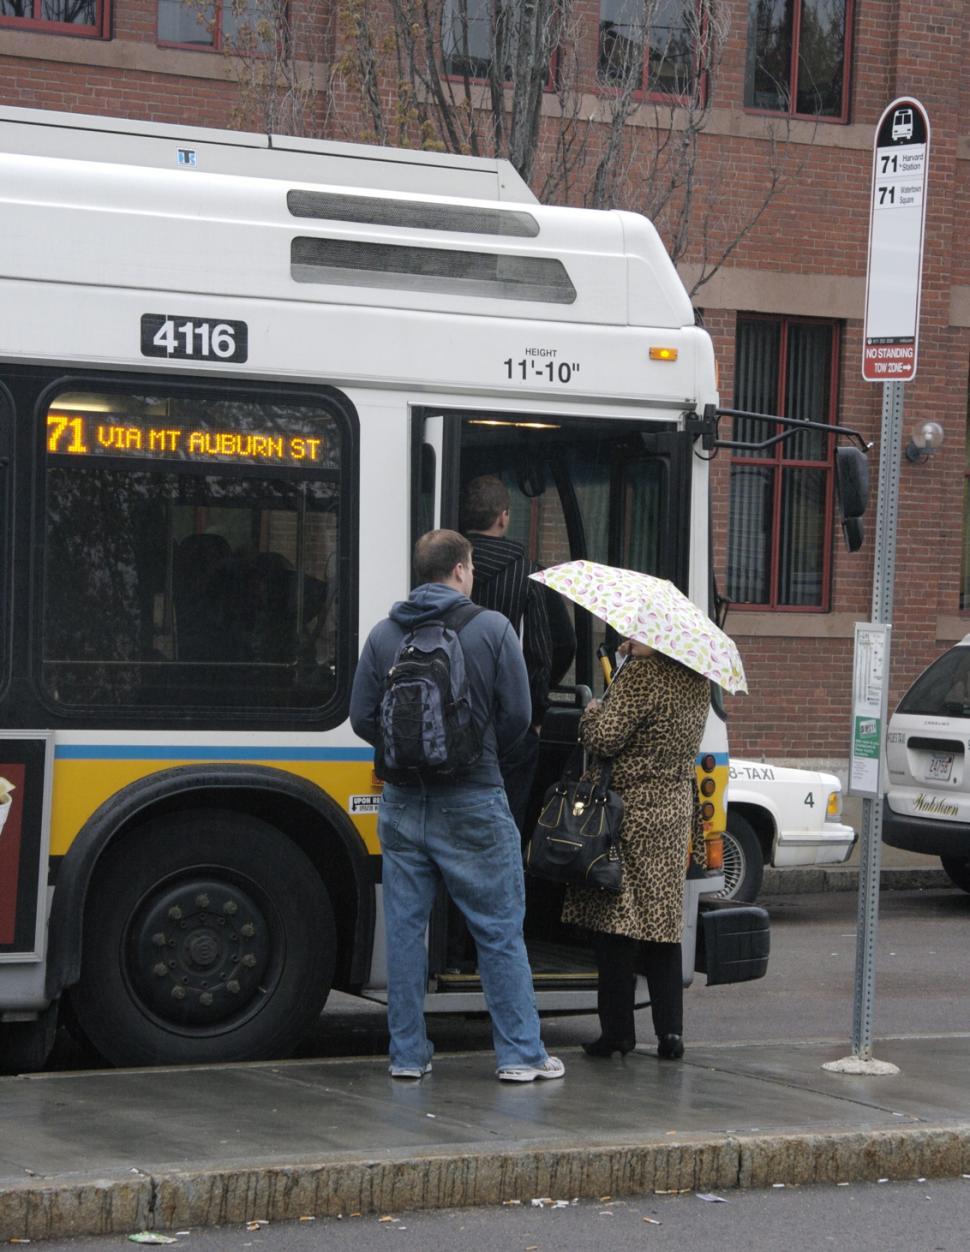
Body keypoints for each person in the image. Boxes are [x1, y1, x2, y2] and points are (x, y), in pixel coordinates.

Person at [349, 528, 564, 1084]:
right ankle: (520, 1053)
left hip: (400, 804)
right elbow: (519, 716)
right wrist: (477, 748)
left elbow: (361, 716)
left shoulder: (383, 634)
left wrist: (404, 755)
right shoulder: (492, 629)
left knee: (404, 932)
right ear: (464, 569)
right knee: (497, 928)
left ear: (421, 571)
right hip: (474, 796)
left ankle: (407, 1055)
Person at [562, 639, 709, 1061]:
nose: (627, 641)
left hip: (629, 811)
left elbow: (606, 739)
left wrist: (591, 713)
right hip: (674, 810)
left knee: (616, 922)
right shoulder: (697, 681)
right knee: (663, 923)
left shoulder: (643, 676)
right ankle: (671, 1034)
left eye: (636, 634)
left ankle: (618, 1033)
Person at [460, 474, 575, 830]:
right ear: (504, 517)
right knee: (507, 822)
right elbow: (544, 650)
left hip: (456, 716)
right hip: (511, 720)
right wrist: (536, 712)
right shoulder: (528, 575)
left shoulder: (450, 570)